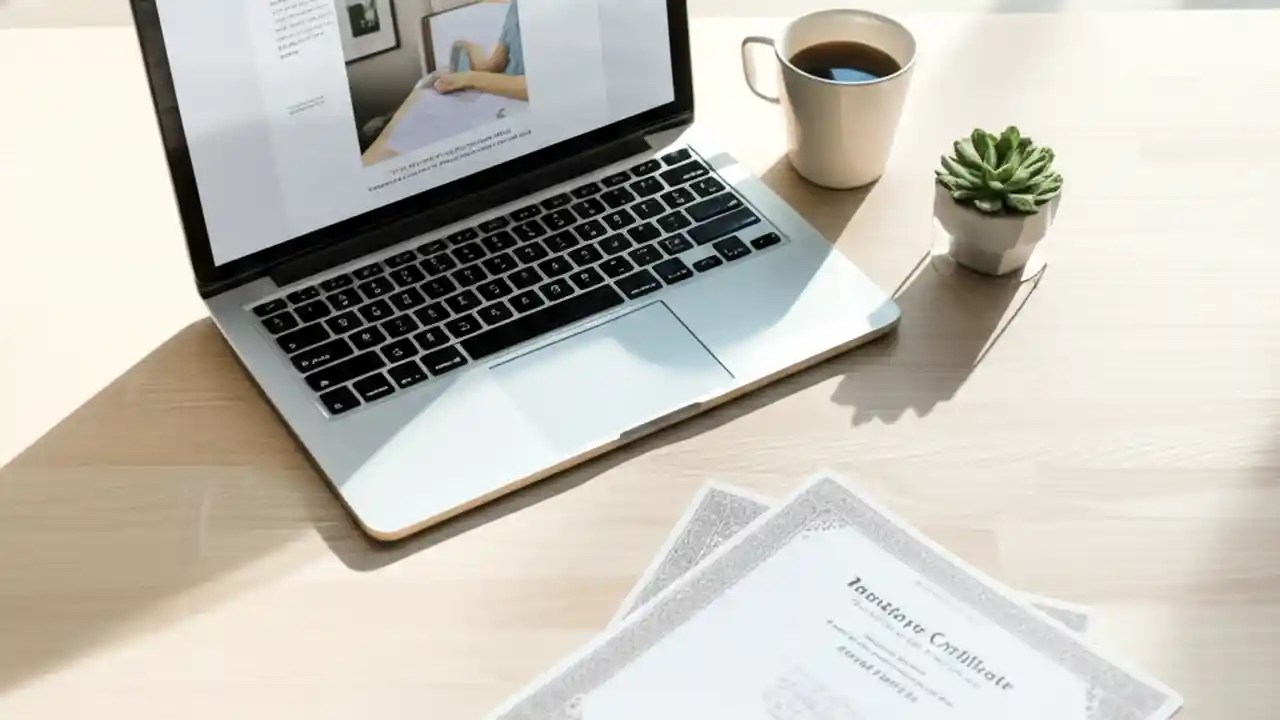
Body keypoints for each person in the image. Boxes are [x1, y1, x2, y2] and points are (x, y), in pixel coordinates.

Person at [431, 0, 526, 101]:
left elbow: (532, 87)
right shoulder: (515, 8)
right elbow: (496, 64)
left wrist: (469, 79)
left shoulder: (540, 11)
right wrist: (472, 49)